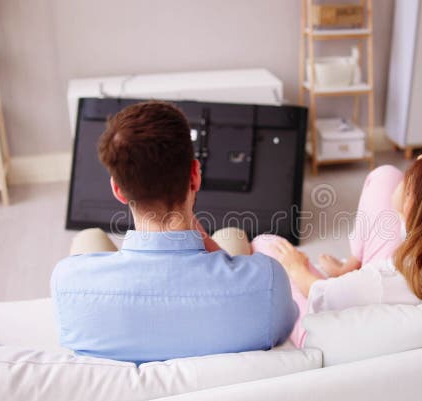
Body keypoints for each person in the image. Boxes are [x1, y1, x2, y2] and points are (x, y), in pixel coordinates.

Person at [51, 101, 299, 364]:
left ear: (118, 190)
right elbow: (286, 325)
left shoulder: (67, 281)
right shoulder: (269, 281)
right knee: (233, 235)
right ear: (195, 176)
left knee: (88, 238)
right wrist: (188, 221)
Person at [243, 146, 422, 346]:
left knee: (266, 244)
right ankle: (349, 266)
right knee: (385, 175)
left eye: (409, 183)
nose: (405, 177)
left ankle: (343, 271)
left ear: (413, 206)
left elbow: (319, 294)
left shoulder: (382, 280)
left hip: (322, 317)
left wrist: (296, 267)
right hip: (381, 275)